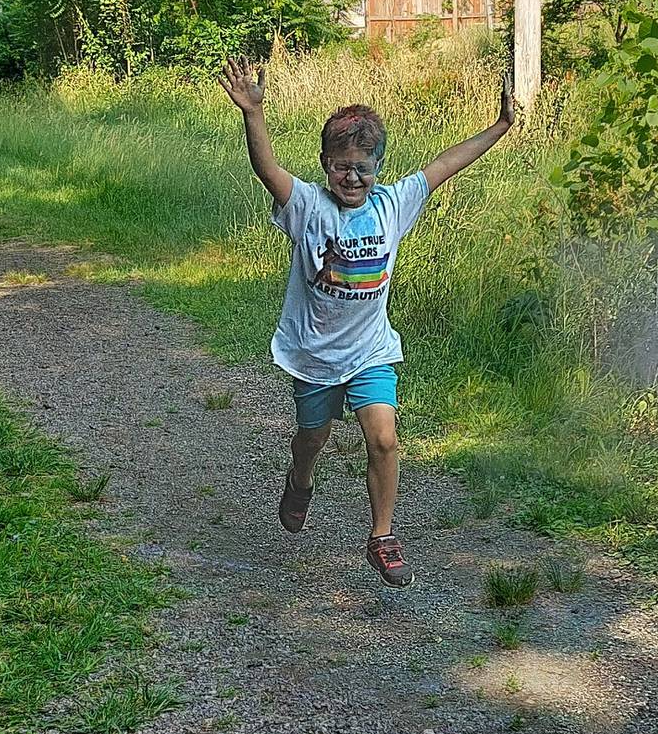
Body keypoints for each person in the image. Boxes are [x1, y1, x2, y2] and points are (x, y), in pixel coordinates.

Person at [218, 56, 514, 586]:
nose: (352, 177)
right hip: (314, 353)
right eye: (341, 166)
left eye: (363, 167)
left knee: (384, 438)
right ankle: (300, 479)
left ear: (378, 166)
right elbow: (268, 170)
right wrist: (253, 114)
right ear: (325, 163)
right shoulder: (309, 207)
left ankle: (382, 536)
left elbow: (445, 164)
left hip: (370, 351)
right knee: (312, 438)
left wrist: (500, 126)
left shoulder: (392, 204)